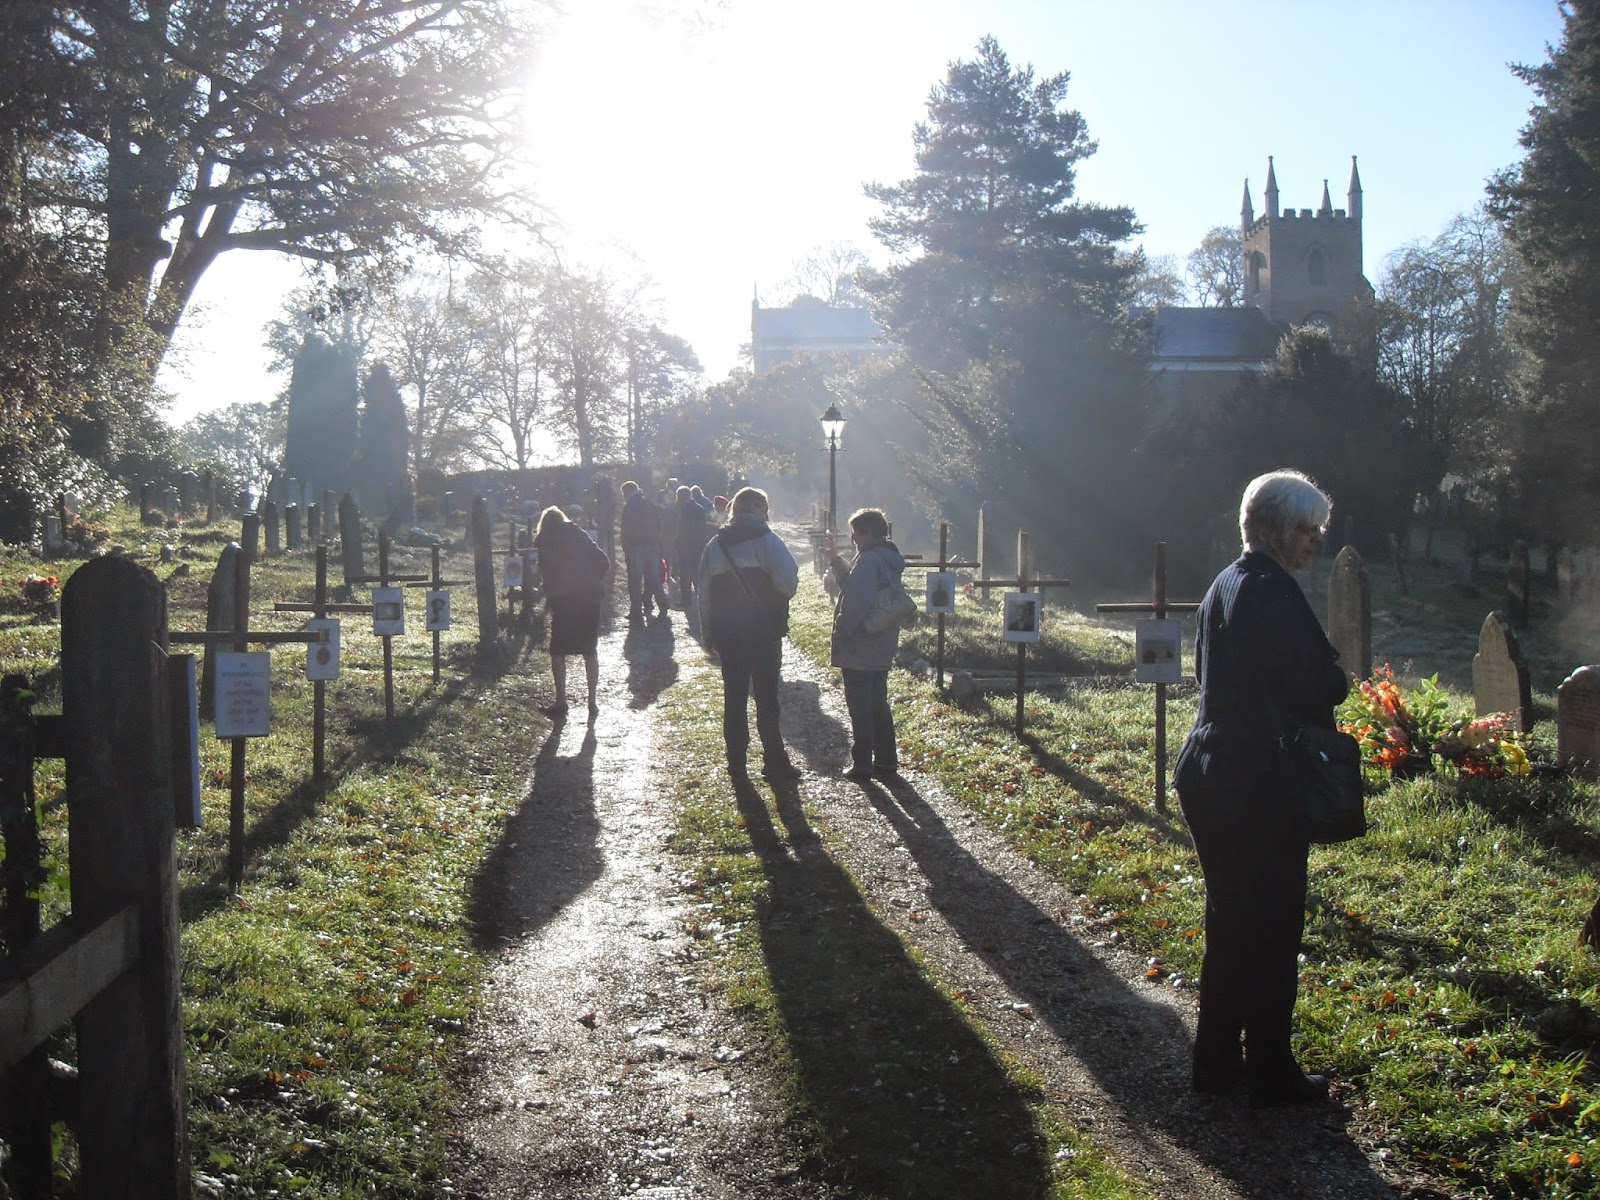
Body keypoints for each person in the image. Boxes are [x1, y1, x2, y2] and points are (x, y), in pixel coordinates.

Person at [1172, 469, 1350, 1108]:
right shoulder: (1272, 592)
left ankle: (1217, 1062)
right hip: (1255, 782)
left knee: (1233, 921)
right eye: (1309, 530)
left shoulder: (1228, 581)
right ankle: (1271, 1072)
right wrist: (1338, 679)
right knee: (1271, 928)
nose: (1316, 542)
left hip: (1210, 767)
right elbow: (1313, 686)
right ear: (1276, 529)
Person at [699, 486, 800, 780]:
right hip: (763, 631)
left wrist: (708, 634)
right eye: (764, 508)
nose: (767, 514)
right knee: (767, 698)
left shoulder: (714, 546)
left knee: (735, 697)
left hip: (729, 634)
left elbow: (703, 594)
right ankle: (774, 761)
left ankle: (736, 763)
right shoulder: (768, 542)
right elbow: (788, 582)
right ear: (755, 508)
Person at [827, 508, 906, 781]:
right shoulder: (886, 557)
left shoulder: (870, 559)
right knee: (877, 703)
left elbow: (855, 601)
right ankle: (886, 760)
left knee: (859, 706)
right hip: (882, 640)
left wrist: (841, 632)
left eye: (856, 532)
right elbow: (854, 585)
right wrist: (837, 561)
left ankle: (862, 763)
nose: (853, 539)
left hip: (861, 644)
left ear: (868, 532)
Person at [533, 505, 610, 719]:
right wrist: (593, 581)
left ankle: (561, 701)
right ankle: (592, 700)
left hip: (564, 602)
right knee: (589, 650)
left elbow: (547, 573)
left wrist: (551, 593)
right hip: (590, 598)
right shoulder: (580, 534)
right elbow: (603, 561)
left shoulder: (546, 540)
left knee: (557, 652)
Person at [619, 480, 669, 625]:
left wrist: (625, 547)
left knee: (635, 580)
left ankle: (636, 611)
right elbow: (659, 524)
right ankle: (663, 602)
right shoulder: (649, 504)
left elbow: (625, 529)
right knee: (653, 576)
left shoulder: (629, 507)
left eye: (623, 494)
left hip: (636, 546)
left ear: (627, 492)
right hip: (653, 545)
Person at [675, 485, 713, 617]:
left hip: (688, 546)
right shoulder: (698, 508)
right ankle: (700, 600)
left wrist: (680, 542)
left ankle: (687, 601)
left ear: (681, 496)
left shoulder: (686, 509)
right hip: (697, 546)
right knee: (696, 575)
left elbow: (686, 529)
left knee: (686, 574)